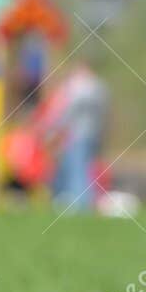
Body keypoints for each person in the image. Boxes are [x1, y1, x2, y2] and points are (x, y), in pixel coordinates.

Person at [39, 61, 109, 213]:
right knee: (83, 169)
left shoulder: (79, 89)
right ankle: (81, 202)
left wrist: (52, 129)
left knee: (77, 170)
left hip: (78, 136)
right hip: (93, 135)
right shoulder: (100, 89)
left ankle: (80, 204)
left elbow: (68, 113)